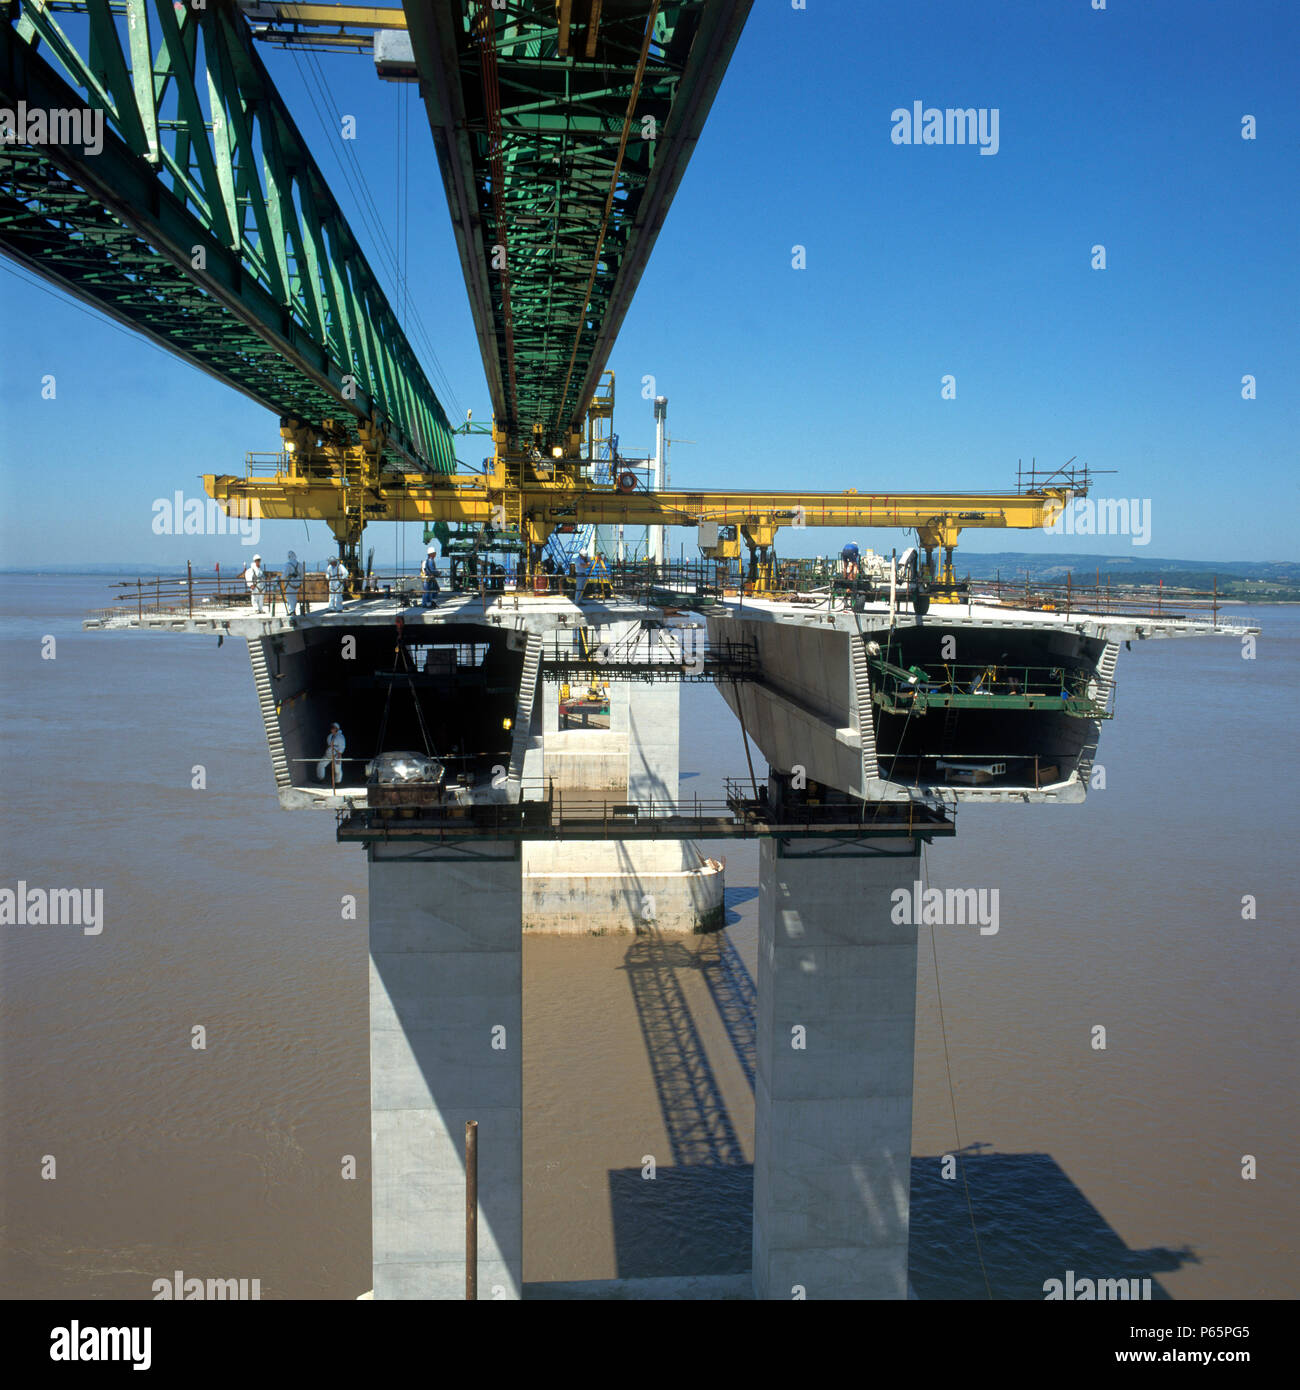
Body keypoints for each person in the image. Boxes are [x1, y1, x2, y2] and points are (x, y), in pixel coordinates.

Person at [283, 549, 302, 619]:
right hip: (297, 583)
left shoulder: (287, 565)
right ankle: (292, 610)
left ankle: (291, 611)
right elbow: (302, 575)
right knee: (294, 597)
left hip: (290, 583)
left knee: (289, 597)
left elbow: (284, 575)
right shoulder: (299, 565)